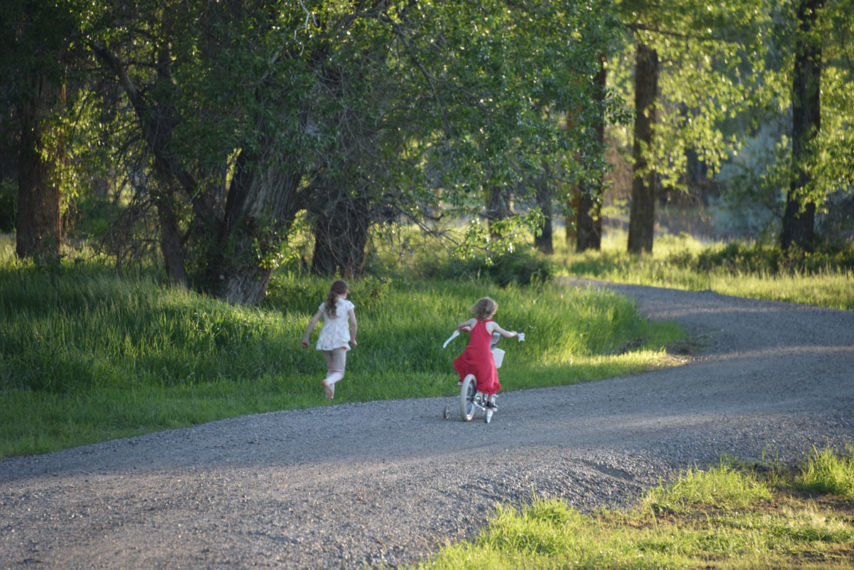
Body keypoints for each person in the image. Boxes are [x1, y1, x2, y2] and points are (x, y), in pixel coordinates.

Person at [453, 297, 519, 410]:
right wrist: (514, 333)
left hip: (470, 354)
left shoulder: (473, 321)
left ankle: (463, 379)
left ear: (476, 309)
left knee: (465, 361)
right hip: (484, 356)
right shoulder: (492, 325)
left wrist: (467, 329)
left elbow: (460, 325)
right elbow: (506, 334)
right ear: (493, 312)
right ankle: (489, 401)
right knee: (492, 375)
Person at [301, 280, 358, 400]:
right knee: (339, 372)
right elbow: (353, 323)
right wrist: (353, 339)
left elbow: (313, 321)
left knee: (331, 370)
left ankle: (329, 399)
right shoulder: (347, 305)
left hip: (325, 341)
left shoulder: (325, 305)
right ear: (345, 292)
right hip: (340, 340)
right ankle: (327, 382)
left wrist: (306, 338)